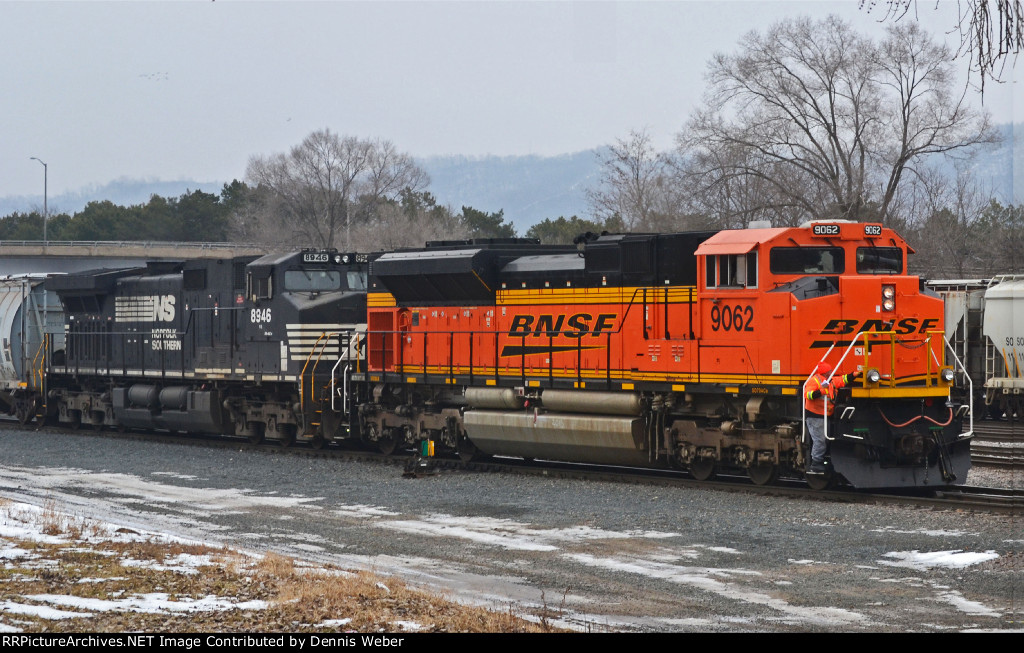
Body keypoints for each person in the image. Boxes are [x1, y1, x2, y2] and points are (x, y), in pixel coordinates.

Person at [804, 361, 859, 475]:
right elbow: (808, 395)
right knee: (819, 440)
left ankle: (821, 461)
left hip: (825, 415)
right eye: (829, 371)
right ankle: (816, 464)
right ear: (825, 372)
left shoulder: (830, 381)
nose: (831, 372)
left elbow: (842, 380)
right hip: (815, 415)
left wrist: (853, 374)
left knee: (825, 439)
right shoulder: (814, 381)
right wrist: (820, 392)